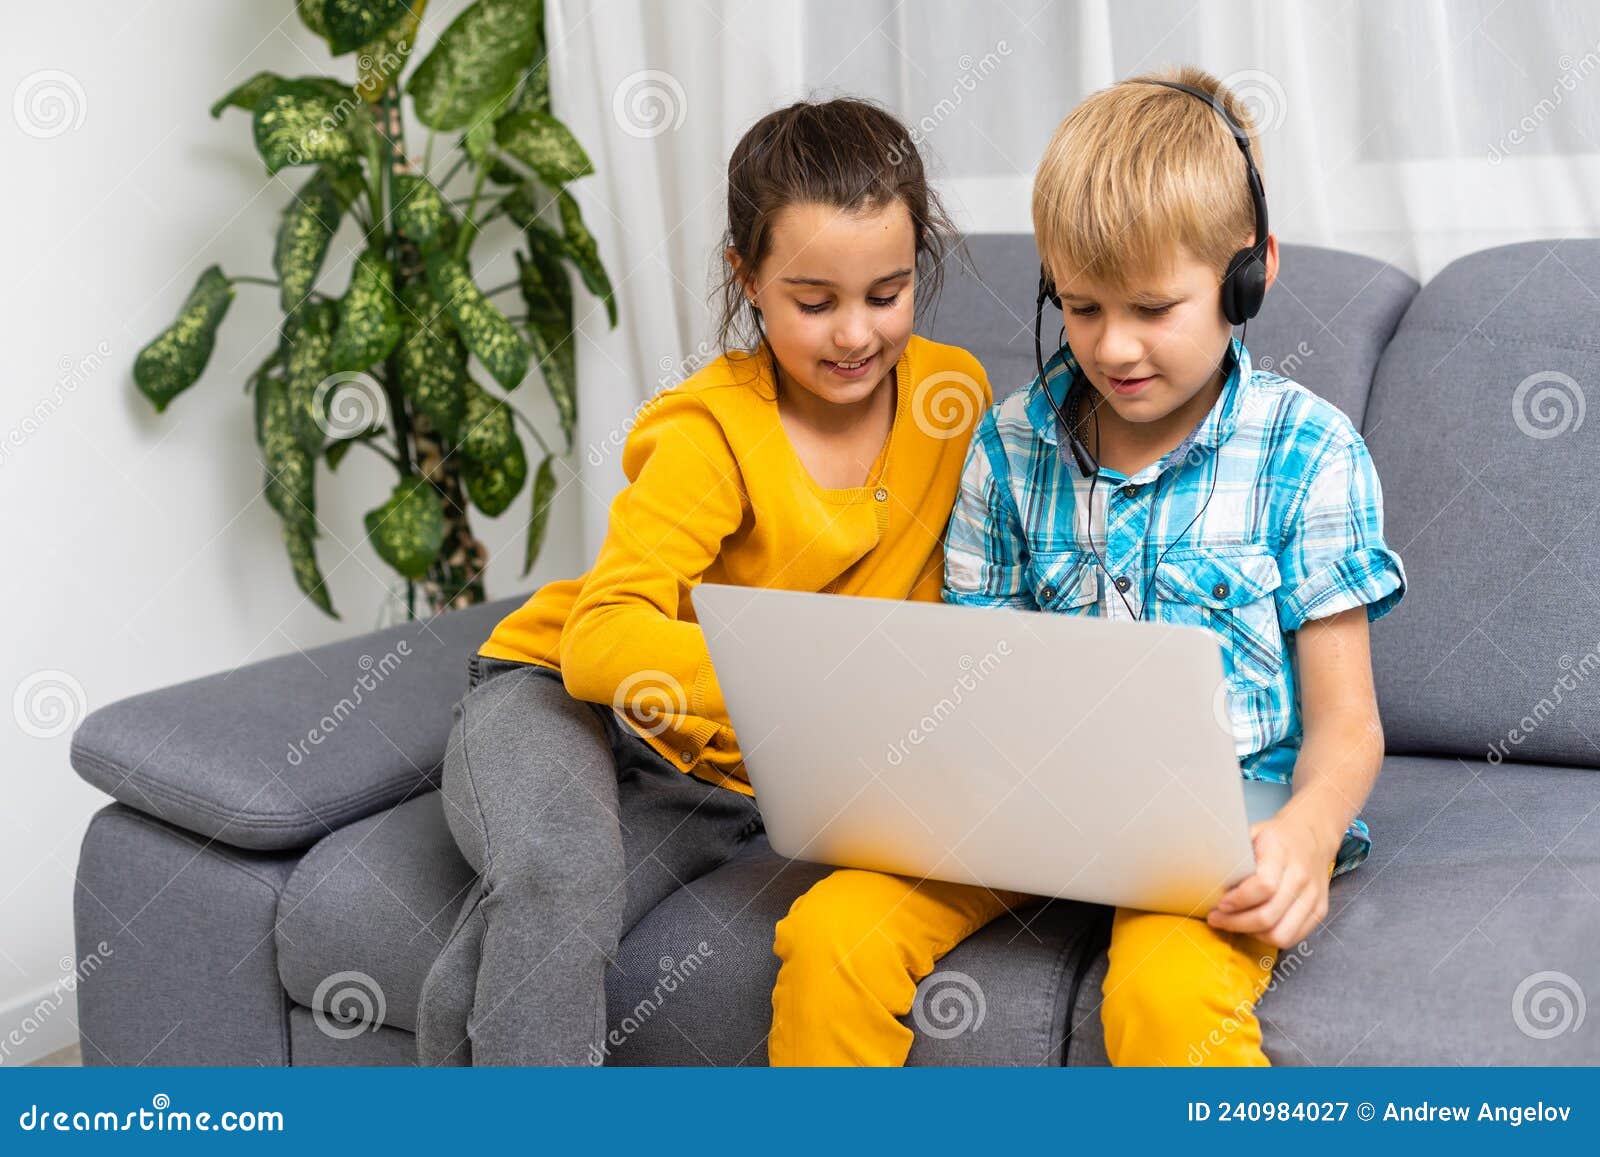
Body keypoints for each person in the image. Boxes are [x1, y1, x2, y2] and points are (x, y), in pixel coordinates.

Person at [767, 66, 1406, 1067]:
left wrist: (1309, 833)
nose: (1114, 346)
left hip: (1215, 829)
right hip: (1020, 811)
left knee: (1165, 995)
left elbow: (1347, 722)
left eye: (1153, 308)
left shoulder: (1307, 452)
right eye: (1081, 306)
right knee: (827, 937)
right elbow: (967, 677)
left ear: (1250, 273)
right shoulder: (1006, 444)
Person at [415, 95, 993, 1065]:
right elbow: (601, 641)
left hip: (719, 775)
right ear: (748, 281)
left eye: (885, 294)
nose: (854, 333)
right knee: (559, 872)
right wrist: (810, 679)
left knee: (509, 944)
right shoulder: (708, 430)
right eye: (814, 303)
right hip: (561, 695)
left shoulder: (952, 396)